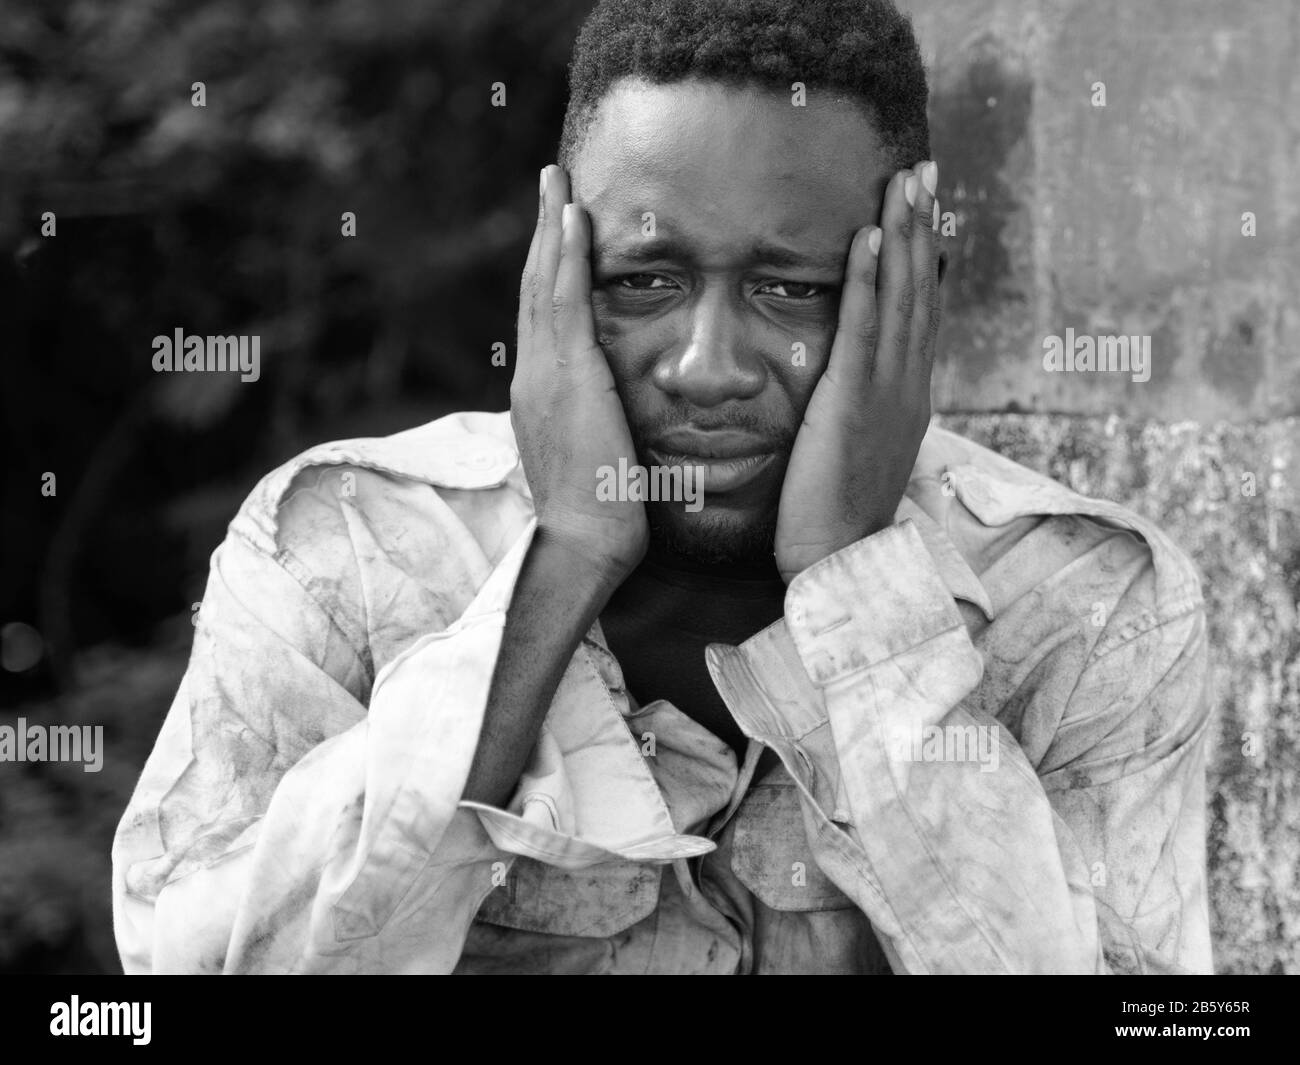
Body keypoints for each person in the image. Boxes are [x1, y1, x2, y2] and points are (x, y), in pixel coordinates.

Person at [112, 0, 1213, 974]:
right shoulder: (341, 544)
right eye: (643, 280)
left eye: (791, 288)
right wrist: (566, 563)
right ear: (557, 268)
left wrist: (855, 593)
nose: (706, 369)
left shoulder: (1087, 607)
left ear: (914, 288)